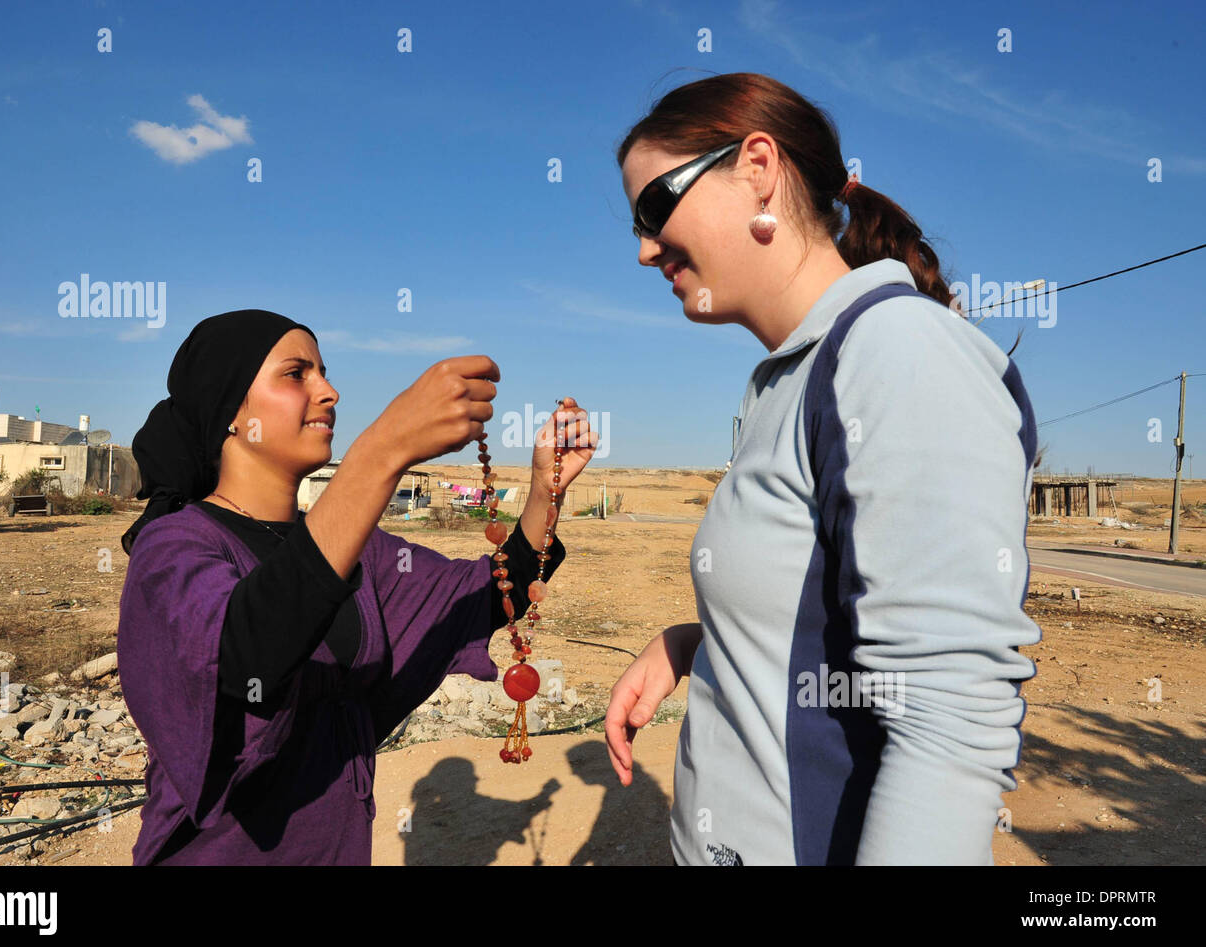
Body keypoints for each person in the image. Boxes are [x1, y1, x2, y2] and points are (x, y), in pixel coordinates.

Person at [604, 73, 1041, 865]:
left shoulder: (897, 353)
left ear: (759, 168)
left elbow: (947, 723)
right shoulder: (794, 376)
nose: (642, 248)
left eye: (654, 207)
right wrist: (695, 645)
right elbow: (824, 615)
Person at [116, 309, 596, 864]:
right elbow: (244, 658)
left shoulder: (361, 552)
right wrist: (381, 452)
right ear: (230, 410)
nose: (330, 392)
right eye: (297, 374)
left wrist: (546, 490)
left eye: (324, 371)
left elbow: (488, 594)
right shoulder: (174, 547)